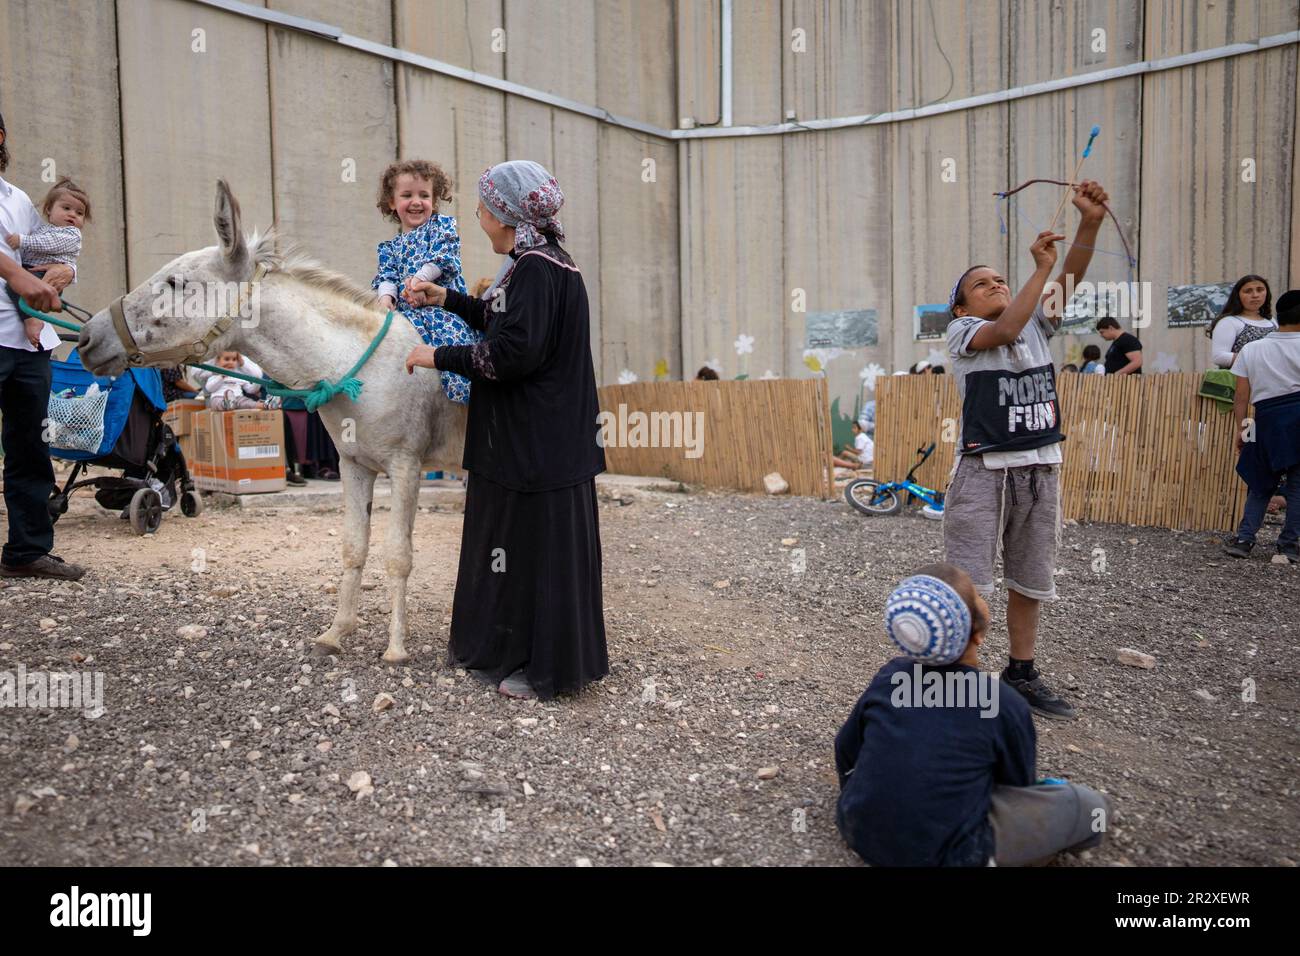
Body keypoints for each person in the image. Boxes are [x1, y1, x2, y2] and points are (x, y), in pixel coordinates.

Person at [404, 160, 608, 700]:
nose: (476, 216)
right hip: (533, 445)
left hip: (536, 447)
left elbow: (511, 355)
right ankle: (505, 650)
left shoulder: (538, 269)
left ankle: (547, 669)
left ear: (503, 215)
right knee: (515, 549)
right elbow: (503, 320)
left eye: (482, 208)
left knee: (533, 553)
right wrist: (446, 299)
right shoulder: (538, 263)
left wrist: (435, 355)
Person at [943, 179, 1110, 720]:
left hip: (1040, 465)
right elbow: (1008, 324)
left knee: (1031, 577)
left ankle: (1020, 672)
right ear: (962, 303)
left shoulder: (1037, 323)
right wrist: (1037, 269)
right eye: (983, 284)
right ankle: (958, 673)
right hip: (984, 469)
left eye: (1000, 280)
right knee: (969, 578)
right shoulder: (963, 333)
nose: (995, 286)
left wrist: (1089, 224)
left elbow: (1069, 281)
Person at [834, 563, 1111, 866]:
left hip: (857, 829)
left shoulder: (890, 678)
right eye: (978, 596)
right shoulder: (1002, 701)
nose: (983, 598)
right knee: (1090, 806)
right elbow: (1017, 787)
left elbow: (845, 749)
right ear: (976, 632)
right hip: (951, 855)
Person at [0, 111, 84, 581]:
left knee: (30, 446)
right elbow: (15, 264)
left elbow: (53, 249)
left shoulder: (19, 199)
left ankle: (26, 551)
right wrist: (15, 274)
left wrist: (68, 272)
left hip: (29, 342)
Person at [372, 159, 479, 404]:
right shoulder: (390, 247)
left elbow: (444, 258)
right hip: (406, 315)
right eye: (407, 195)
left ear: (434, 200)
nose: (417, 202)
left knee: (455, 346)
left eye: (424, 195)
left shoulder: (441, 228)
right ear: (392, 202)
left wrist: (419, 279)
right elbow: (386, 276)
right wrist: (385, 298)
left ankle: (469, 399)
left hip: (442, 312)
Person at [1223, 289, 1300, 562]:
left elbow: (1241, 396)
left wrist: (1244, 430)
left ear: (1279, 316)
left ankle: (1244, 541)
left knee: (1259, 483)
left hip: (1264, 420)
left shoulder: (1252, 349)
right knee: (1297, 485)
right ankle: (1288, 546)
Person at [5, 177, 89, 275]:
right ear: (49, 209)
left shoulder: (72, 234)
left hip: (44, 274)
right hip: (28, 269)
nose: (72, 214)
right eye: (66, 208)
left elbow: (49, 243)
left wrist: (22, 240)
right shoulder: (44, 228)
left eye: (79, 213)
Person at [1209, 274, 1274, 369]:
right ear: (1238, 296)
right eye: (1248, 291)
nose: (1255, 295)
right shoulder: (1229, 322)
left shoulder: (1271, 320)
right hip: (1240, 381)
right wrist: (1260, 359)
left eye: (1260, 290)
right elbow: (1219, 357)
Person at [195, 350, 271, 410]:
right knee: (216, 403)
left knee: (247, 402)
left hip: (238, 398)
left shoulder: (238, 376)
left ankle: (266, 404)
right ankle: (227, 404)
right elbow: (210, 388)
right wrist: (221, 377)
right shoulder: (215, 375)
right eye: (227, 359)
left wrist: (256, 383)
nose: (230, 362)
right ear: (218, 361)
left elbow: (250, 390)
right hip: (219, 397)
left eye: (234, 359)